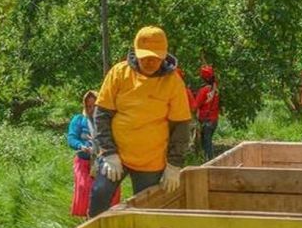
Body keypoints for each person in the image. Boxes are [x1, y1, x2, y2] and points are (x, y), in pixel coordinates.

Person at [89, 26, 191, 217]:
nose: (150, 62)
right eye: (145, 57)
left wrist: (174, 164)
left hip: (151, 159)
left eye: (155, 57)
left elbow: (181, 126)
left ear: (164, 56)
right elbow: (102, 114)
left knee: (145, 207)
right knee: (99, 193)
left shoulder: (173, 82)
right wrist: (109, 153)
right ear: (136, 52)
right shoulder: (119, 73)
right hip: (117, 154)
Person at [67, 90, 119, 216]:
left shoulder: (106, 121)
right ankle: (86, 217)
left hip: (103, 160)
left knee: (108, 188)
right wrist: (81, 145)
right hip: (84, 161)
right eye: (88, 106)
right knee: (85, 187)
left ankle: (107, 214)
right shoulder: (79, 120)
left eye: (94, 106)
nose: (91, 109)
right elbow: (71, 138)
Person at [193, 65, 220, 161]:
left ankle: (209, 163)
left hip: (206, 121)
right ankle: (209, 161)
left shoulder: (204, 90)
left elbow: (195, 106)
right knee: (208, 142)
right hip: (214, 120)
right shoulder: (215, 89)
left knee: (206, 144)